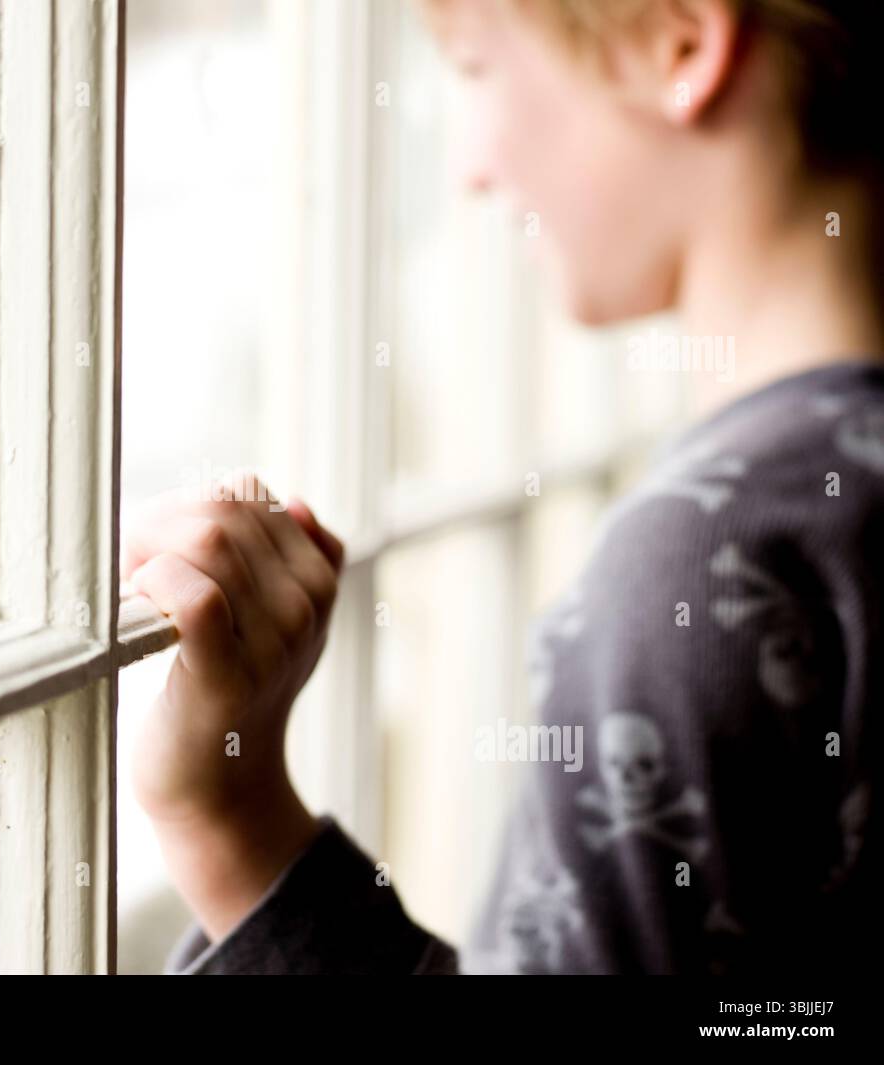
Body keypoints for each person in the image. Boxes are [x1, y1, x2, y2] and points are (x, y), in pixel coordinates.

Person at [123, 0, 883, 974]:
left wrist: (222, 815)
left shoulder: (698, 559)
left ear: (680, 45)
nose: (471, 168)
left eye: (477, 67)